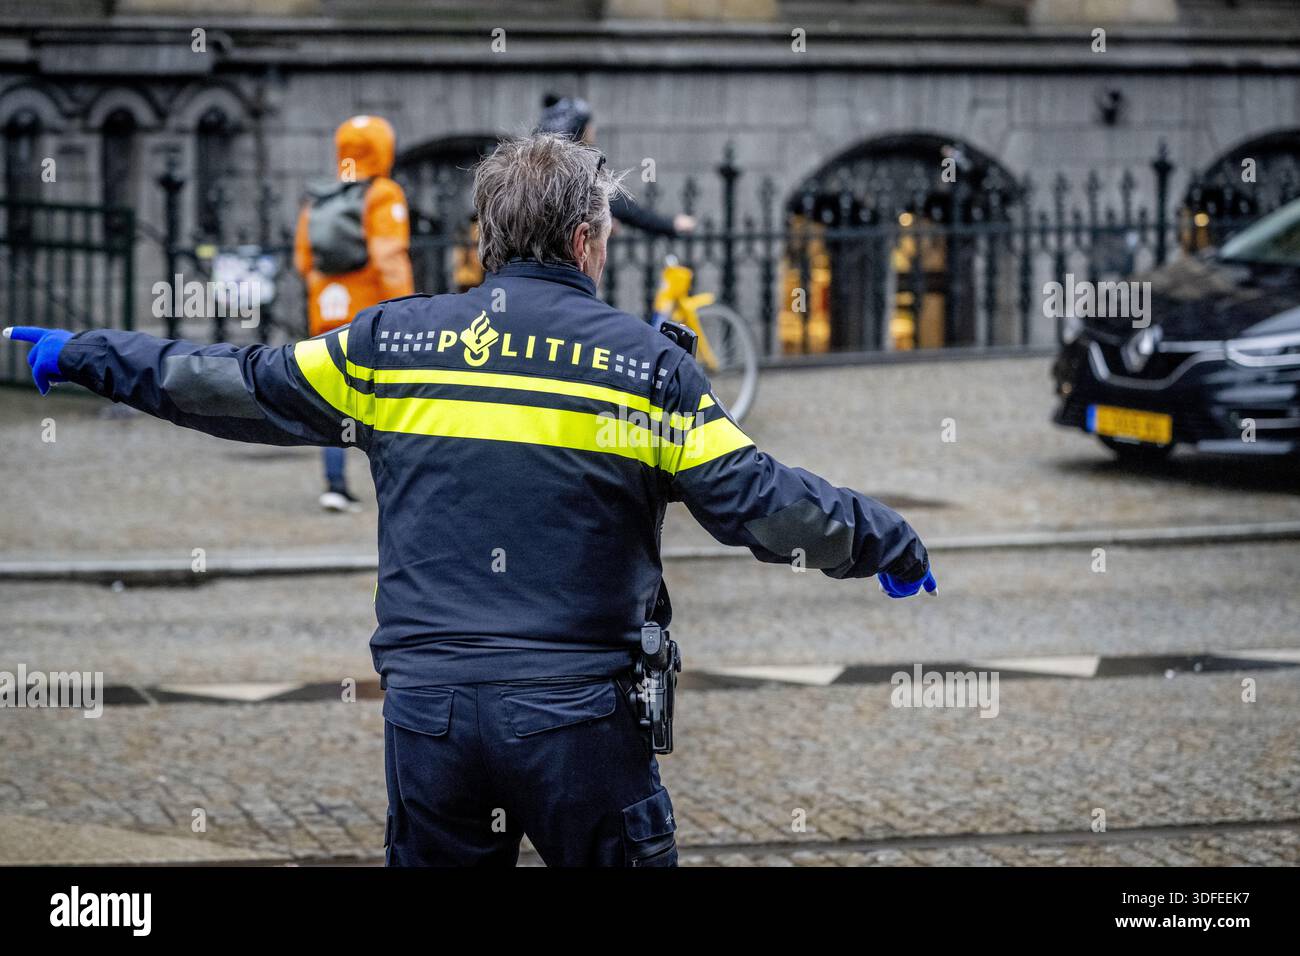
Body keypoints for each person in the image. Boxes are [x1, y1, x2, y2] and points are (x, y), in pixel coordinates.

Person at [6, 132, 936, 867]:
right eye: (606, 235)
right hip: (580, 720)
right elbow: (761, 505)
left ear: (483, 239)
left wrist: (80, 354)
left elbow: (227, 381)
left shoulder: (386, 346)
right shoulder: (641, 368)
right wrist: (885, 539)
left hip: (431, 717)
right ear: (584, 241)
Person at [293, 114, 414, 512]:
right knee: (390, 401)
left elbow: (303, 260)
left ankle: (335, 485)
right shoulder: (383, 194)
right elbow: (388, 258)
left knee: (331, 401)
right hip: (372, 319)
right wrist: (406, 309)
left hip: (325, 314)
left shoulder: (321, 195)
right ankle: (396, 485)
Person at [536, 93, 697, 238]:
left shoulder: (532, 170)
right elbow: (624, 207)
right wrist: (670, 224)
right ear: (579, 130)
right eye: (589, 123)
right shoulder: (579, 172)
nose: (594, 129)